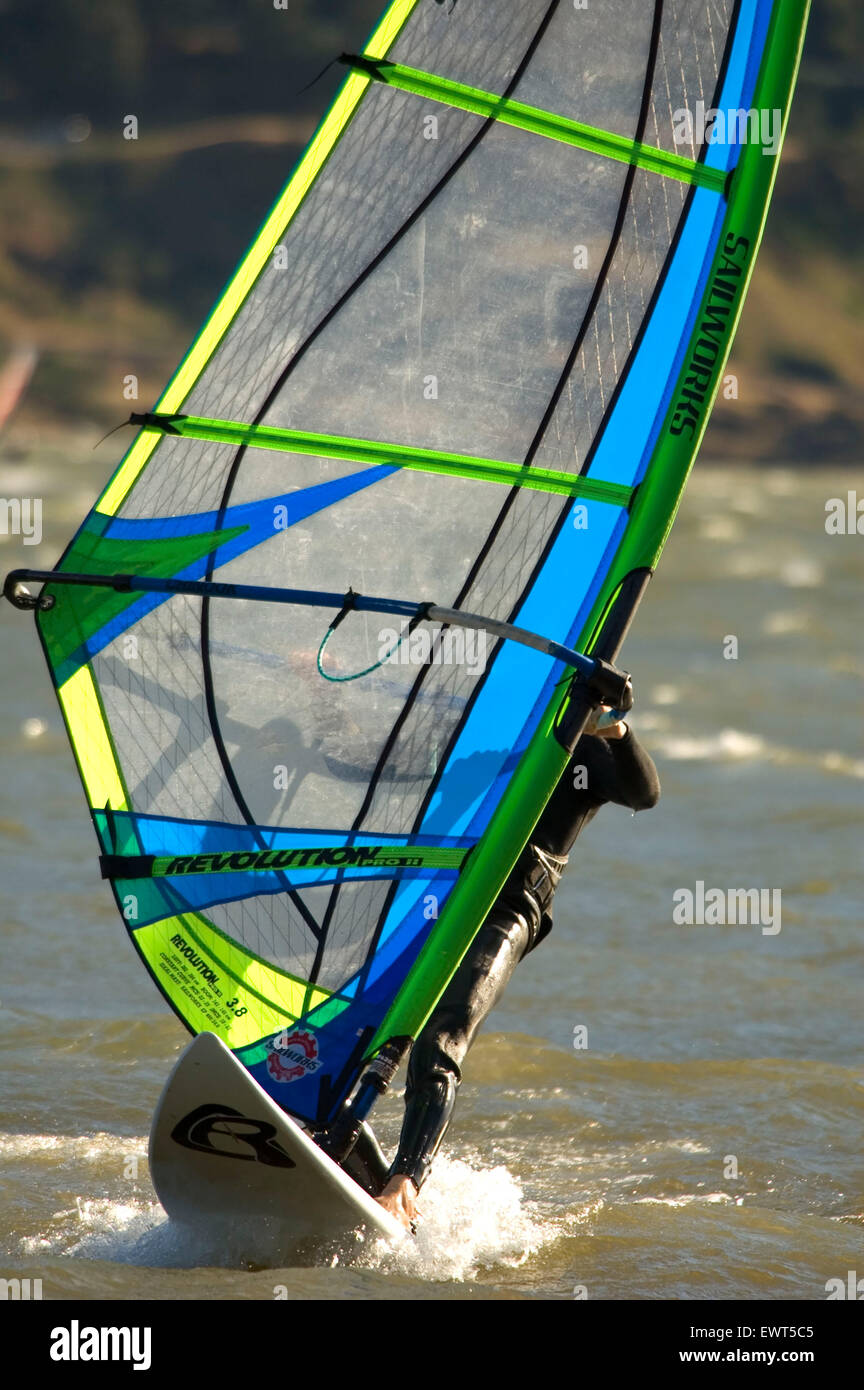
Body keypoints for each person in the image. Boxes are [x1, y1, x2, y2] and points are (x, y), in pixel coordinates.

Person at [341, 703, 661, 1229]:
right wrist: (319, 699)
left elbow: (643, 793)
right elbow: (372, 765)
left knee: (441, 1036)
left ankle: (403, 1185)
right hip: (434, 898)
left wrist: (617, 731)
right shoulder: (484, 733)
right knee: (364, 1014)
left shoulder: (583, 750)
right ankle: (333, 1128)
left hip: (511, 907)